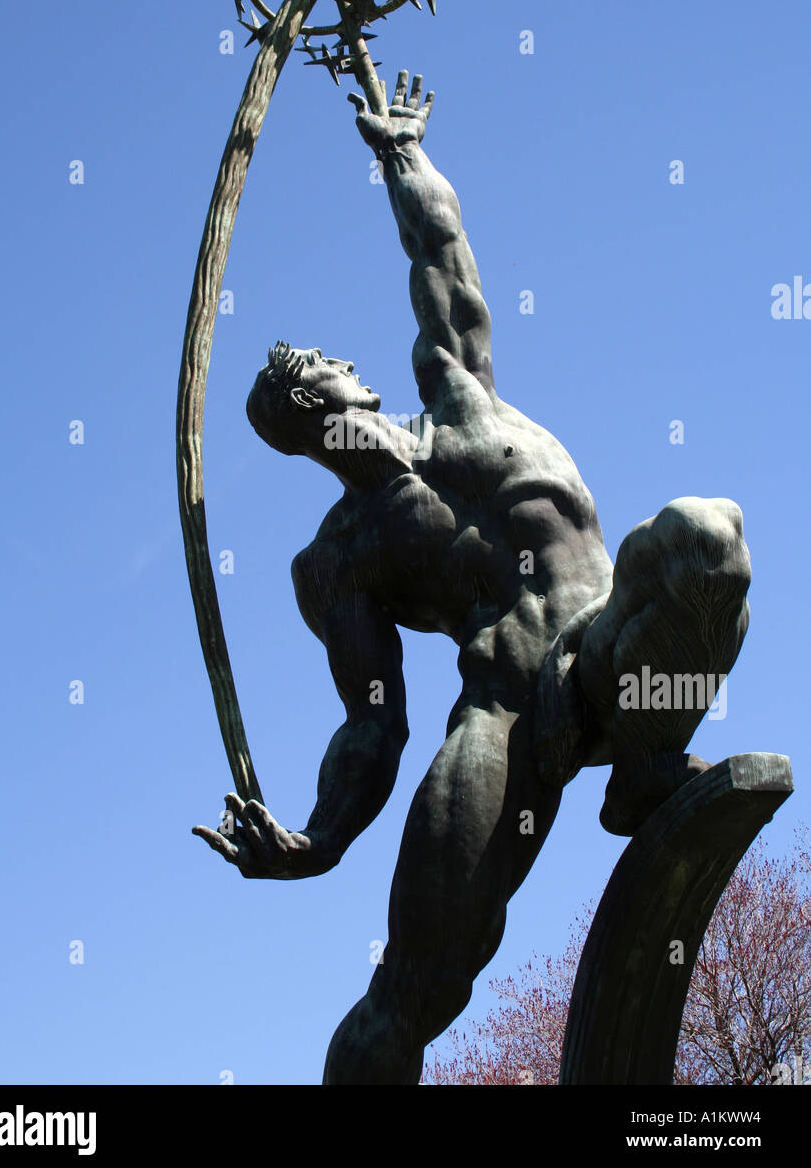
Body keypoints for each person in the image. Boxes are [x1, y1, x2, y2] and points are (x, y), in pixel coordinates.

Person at [193, 71, 751, 1084]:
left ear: (353, 375)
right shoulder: (335, 564)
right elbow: (371, 724)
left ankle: (641, 768)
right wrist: (316, 840)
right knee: (404, 992)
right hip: (503, 721)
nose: (314, 368)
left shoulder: (457, 394)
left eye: (313, 359)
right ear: (295, 432)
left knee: (703, 537)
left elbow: (439, 253)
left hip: (604, 647)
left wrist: (400, 154)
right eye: (293, 380)